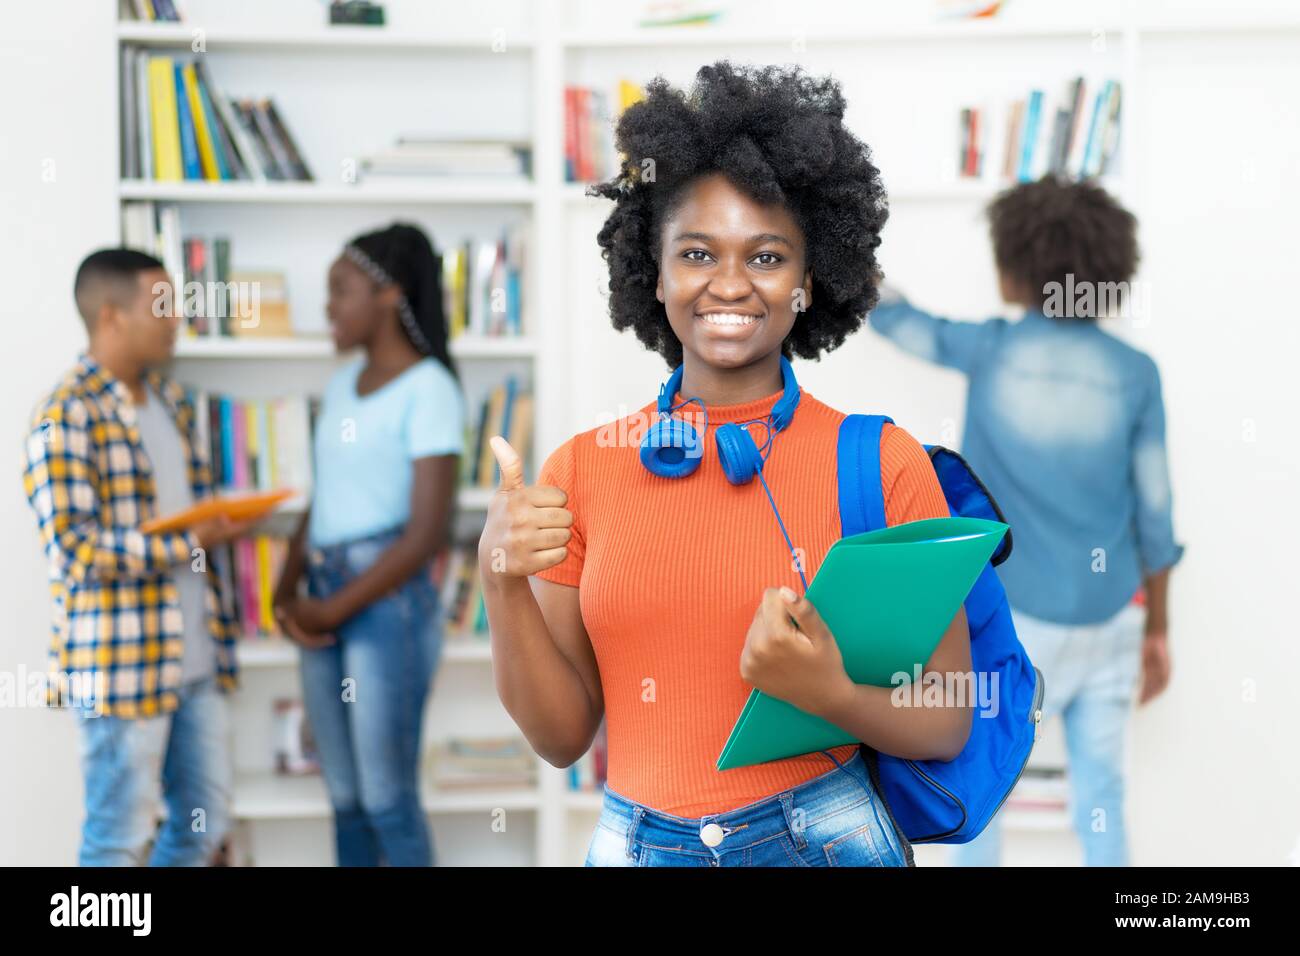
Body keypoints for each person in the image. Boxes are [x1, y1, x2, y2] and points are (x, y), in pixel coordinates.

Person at [480, 61, 972, 867]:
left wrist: (829, 695)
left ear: (810, 281)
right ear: (656, 268)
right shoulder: (583, 469)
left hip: (827, 840)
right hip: (636, 844)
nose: (731, 285)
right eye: (699, 253)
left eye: (768, 257)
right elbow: (562, 737)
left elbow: (946, 716)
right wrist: (499, 580)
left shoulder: (882, 463)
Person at [868, 176, 1185, 866]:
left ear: (1017, 263)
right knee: (1102, 798)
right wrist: (1158, 628)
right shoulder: (1136, 372)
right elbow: (1156, 518)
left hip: (1018, 626)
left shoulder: (989, 349)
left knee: (983, 793)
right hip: (1112, 620)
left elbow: (893, 316)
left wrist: (843, 246)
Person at [22, 248, 254, 866]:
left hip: (197, 662)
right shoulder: (63, 415)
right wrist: (192, 541)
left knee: (204, 827)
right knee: (117, 839)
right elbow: (74, 548)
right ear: (111, 316)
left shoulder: (173, 405)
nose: (178, 316)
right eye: (163, 304)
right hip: (121, 669)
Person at [273, 222, 465, 867]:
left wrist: (329, 611)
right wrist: (285, 589)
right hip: (324, 591)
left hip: (386, 603)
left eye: (339, 290)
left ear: (388, 294)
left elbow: (426, 534)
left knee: (387, 799)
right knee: (347, 799)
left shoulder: (430, 388)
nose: (327, 307)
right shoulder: (339, 386)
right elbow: (322, 498)